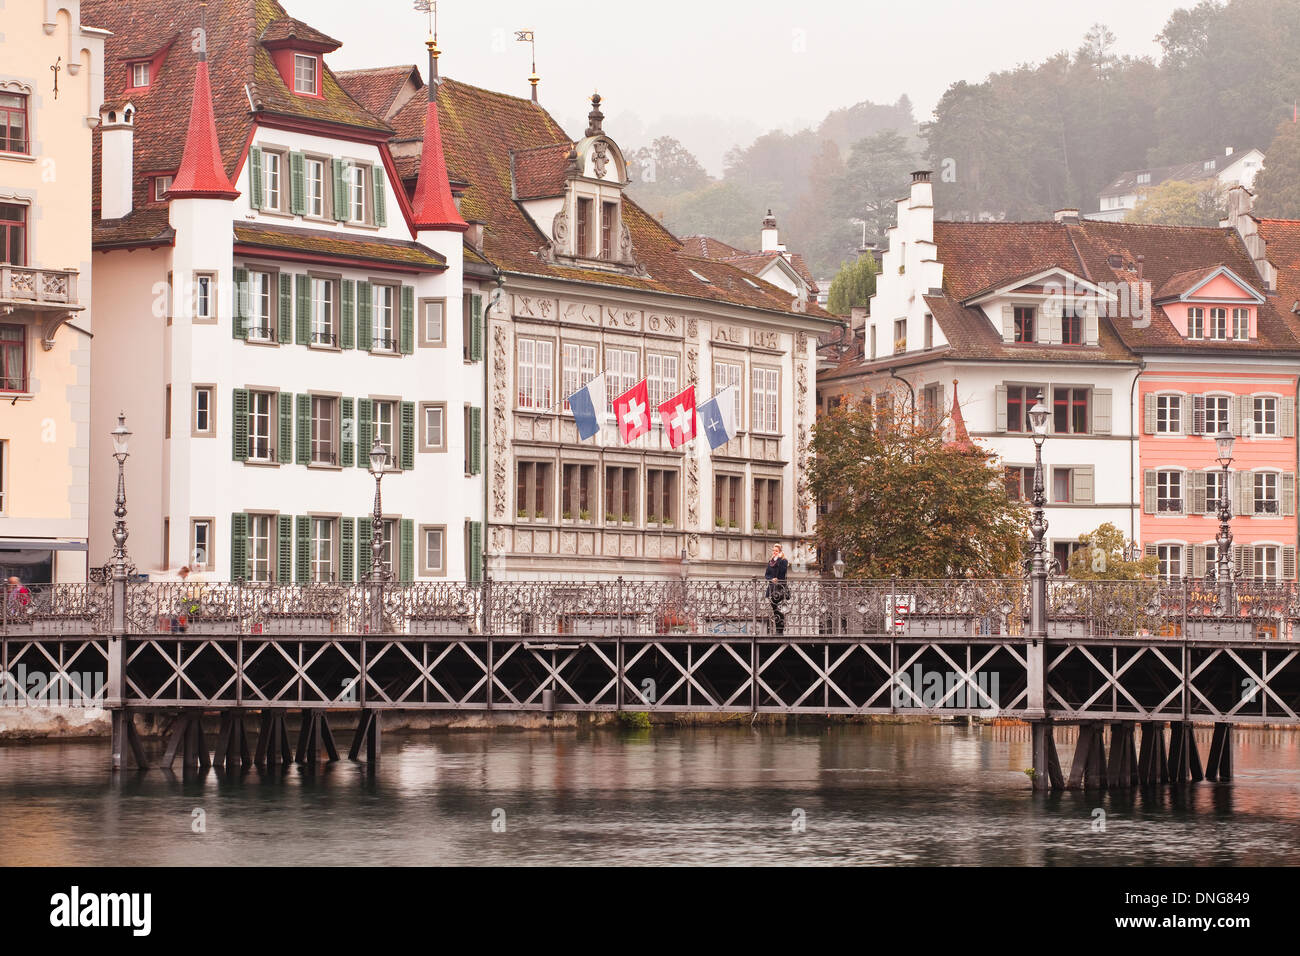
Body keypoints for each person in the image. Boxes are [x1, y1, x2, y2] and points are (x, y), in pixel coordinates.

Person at [765, 544, 789, 634]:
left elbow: (782, 572)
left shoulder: (783, 561)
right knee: (774, 607)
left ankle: (780, 627)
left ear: (780, 552)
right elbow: (766, 574)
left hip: (780, 587)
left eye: (776, 551)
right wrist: (771, 579)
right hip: (772, 588)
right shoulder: (771, 562)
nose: (774, 552)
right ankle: (778, 627)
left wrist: (779, 559)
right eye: (773, 550)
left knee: (777, 605)